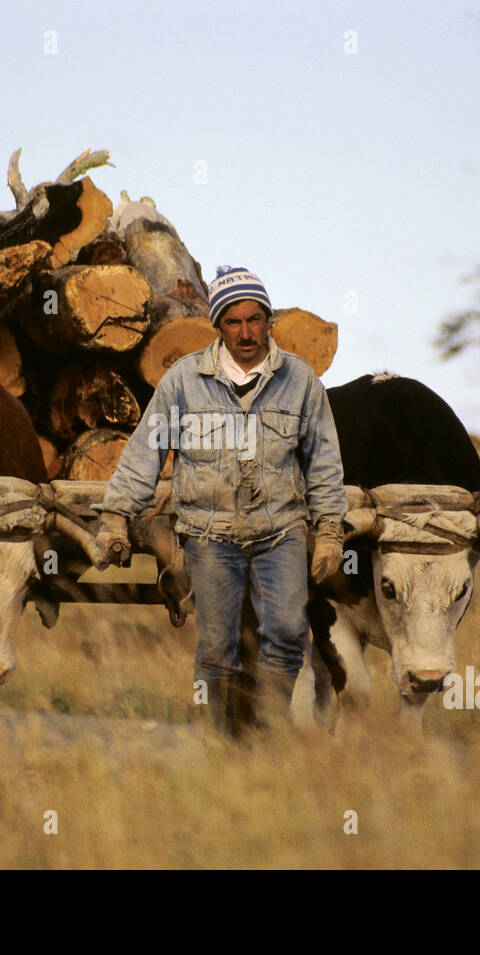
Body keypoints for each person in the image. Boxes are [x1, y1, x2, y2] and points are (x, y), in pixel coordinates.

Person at [92, 265, 347, 737]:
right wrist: (114, 519)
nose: (246, 332)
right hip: (209, 535)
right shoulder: (183, 381)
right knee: (216, 649)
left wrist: (330, 530)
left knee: (289, 635)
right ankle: (221, 741)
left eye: (255, 319)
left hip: (280, 532)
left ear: (269, 320)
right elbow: (146, 452)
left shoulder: (301, 380)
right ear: (218, 326)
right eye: (234, 321)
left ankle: (265, 736)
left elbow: (324, 462)